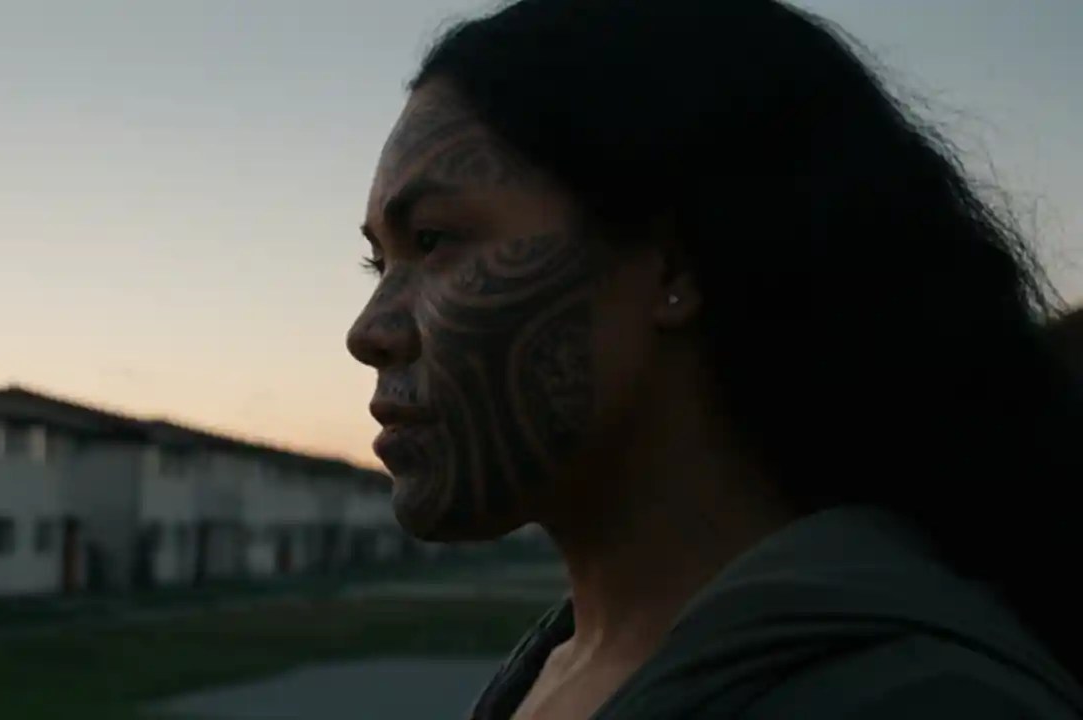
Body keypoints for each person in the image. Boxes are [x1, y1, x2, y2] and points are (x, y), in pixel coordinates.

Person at [344, 0, 1083, 717]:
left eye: (435, 241)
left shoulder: (920, 699)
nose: (367, 331)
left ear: (672, 267)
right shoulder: (556, 668)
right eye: (381, 265)